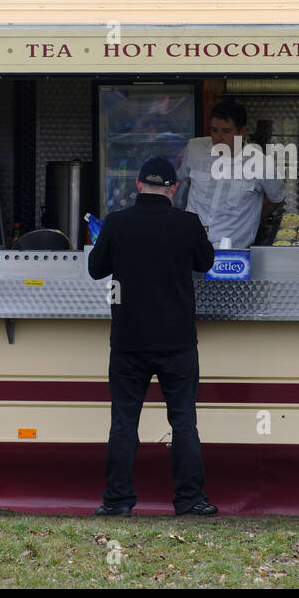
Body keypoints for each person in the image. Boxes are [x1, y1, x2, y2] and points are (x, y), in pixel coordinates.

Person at [86, 155, 217, 517]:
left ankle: (117, 500)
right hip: (177, 342)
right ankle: (190, 500)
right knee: (184, 421)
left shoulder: (117, 223)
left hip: (128, 342)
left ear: (139, 185)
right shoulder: (188, 224)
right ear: (173, 189)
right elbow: (206, 263)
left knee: (124, 422)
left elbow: (96, 269)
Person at [176, 100, 285, 248]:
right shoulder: (195, 148)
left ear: (242, 132)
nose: (218, 138)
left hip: (233, 254)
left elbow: (276, 198)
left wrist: (252, 219)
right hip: (191, 246)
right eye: (214, 130)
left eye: (226, 131)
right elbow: (184, 180)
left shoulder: (261, 163)